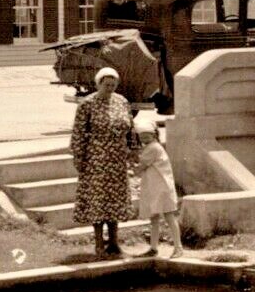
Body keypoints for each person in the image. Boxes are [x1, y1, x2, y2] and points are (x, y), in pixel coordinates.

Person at [70, 67, 138, 256]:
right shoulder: (87, 104)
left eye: (113, 85)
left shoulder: (121, 101)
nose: (110, 88)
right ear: (98, 84)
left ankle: (114, 242)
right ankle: (99, 243)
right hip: (96, 159)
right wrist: (78, 157)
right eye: (106, 85)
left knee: (115, 199)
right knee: (98, 199)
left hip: (117, 159)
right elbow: (78, 133)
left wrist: (133, 150)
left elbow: (131, 128)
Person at [133, 121, 182, 257]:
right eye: (141, 136)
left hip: (161, 188)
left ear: (154, 135)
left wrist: (132, 167)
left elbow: (140, 168)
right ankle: (154, 248)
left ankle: (178, 247)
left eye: (147, 135)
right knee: (155, 217)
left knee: (168, 216)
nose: (144, 138)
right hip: (156, 187)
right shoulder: (152, 147)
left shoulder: (152, 148)